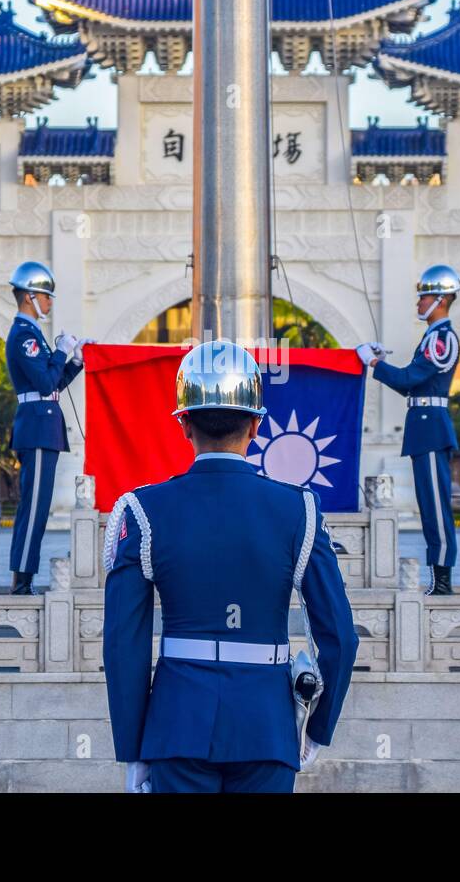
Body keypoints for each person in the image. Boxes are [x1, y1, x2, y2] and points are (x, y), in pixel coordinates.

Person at [102, 339, 359, 793]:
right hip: (266, 729)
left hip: (176, 728)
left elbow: (124, 643)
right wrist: (318, 729)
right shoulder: (298, 509)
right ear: (256, 425)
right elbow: (339, 636)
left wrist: (133, 749)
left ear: (184, 424)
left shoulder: (143, 510)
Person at [356, 264, 460, 595]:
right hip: (423, 427)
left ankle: (442, 580)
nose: (419, 303)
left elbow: (407, 379)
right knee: (428, 505)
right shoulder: (431, 338)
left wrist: (374, 363)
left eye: (424, 298)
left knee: (435, 506)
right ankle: (438, 577)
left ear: (441, 300)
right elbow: (410, 385)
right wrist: (381, 363)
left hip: (431, 429)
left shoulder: (442, 339)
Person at [5, 260, 90, 595]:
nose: (50, 302)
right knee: (34, 509)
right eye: (45, 296)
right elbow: (43, 383)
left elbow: (54, 382)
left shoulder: (33, 336)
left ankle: (23, 578)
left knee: (37, 509)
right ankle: (22, 581)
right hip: (37, 430)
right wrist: (60, 351)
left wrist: (75, 360)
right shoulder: (24, 336)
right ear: (30, 297)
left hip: (43, 428)